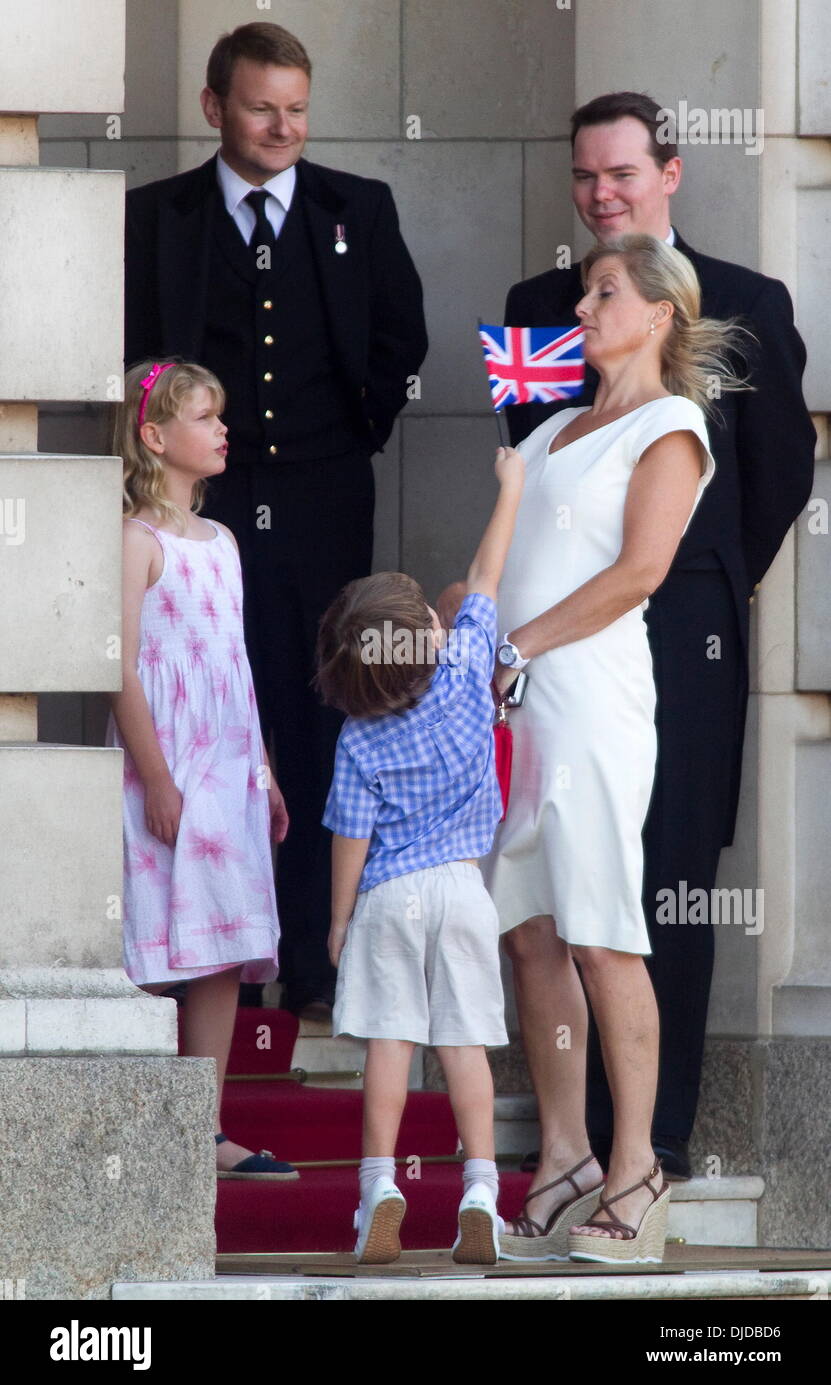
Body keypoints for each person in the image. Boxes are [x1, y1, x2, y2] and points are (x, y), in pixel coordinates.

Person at [501, 92, 815, 1180]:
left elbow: (779, 472)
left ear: (669, 173)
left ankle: (659, 1131)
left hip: (687, 627)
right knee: (548, 879)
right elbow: (527, 475)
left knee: (668, 868)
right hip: (559, 639)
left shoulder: (751, 302)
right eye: (586, 177)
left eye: (623, 175)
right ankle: (572, 1136)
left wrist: (709, 584)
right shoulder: (537, 305)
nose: (602, 195)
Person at [124, 21, 428, 1019]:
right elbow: (126, 354)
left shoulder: (359, 209)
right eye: (262, 107)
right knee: (205, 713)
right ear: (215, 107)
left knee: (319, 708)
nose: (282, 126)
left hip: (320, 500)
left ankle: (310, 955)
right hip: (194, 512)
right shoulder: (154, 217)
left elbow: (401, 339)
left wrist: (350, 438)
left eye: (297, 109)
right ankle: (200, 952)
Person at [484, 234, 752, 1264]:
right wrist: (466, 635)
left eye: (605, 292)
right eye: (584, 292)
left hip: (591, 698)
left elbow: (642, 571)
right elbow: (504, 563)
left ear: (659, 314)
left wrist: (519, 644)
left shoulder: (675, 424)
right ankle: (565, 1161)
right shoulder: (550, 425)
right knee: (533, 934)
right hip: (521, 701)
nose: (583, 308)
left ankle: (637, 1166)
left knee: (601, 931)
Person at [314, 445, 525, 1265]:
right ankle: (480, 1188)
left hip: (388, 896)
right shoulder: (470, 666)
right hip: (465, 892)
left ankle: (380, 1189)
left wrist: (337, 921)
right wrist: (508, 484)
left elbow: (349, 834)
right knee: (463, 1044)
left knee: (390, 1046)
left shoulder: (360, 734)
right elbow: (485, 572)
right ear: (431, 638)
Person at [106, 358, 296, 1180]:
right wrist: (154, 777)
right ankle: (143, 1119)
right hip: (166, 767)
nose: (224, 429)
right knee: (152, 945)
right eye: (205, 417)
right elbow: (118, 666)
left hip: (228, 770)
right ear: (154, 436)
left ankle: (202, 1126)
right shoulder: (135, 541)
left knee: (220, 952)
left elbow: (235, 667)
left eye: (222, 415)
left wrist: (265, 771)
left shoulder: (220, 540)